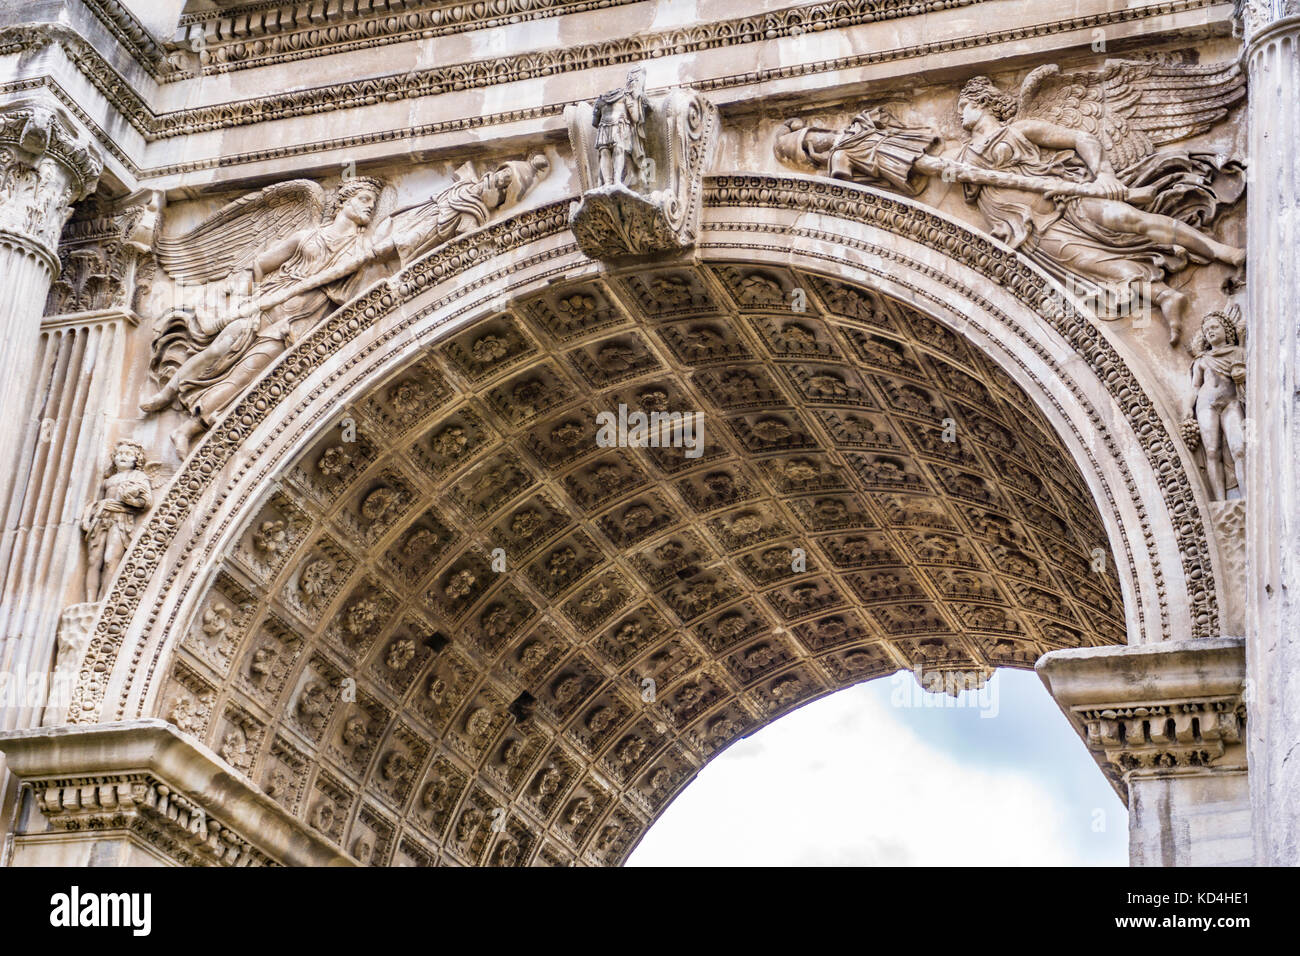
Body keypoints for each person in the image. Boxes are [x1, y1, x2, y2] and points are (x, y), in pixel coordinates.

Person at [955, 76, 1245, 346]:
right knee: (1102, 269)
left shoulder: (1018, 130)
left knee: (1133, 220)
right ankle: (1165, 296)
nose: (960, 114)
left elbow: (1081, 139)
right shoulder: (962, 158)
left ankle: (1221, 251)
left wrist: (1105, 174)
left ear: (982, 103)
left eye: (964, 106)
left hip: (1067, 199)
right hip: (1034, 232)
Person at [82, 439, 153, 603]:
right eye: (120, 453)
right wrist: (89, 515)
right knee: (93, 561)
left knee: (110, 560)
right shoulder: (108, 480)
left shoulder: (138, 476)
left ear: (136, 459)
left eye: (128, 454)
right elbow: (95, 502)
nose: (123, 457)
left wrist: (130, 501)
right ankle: (90, 602)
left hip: (120, 519)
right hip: (101, 519)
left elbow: (146, 501)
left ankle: (104, 602)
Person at [1186, 309, 1246, 500]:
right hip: (1206, 405)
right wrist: (1187, 408)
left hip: (1231, 403)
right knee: (1212, 451)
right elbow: (1195, 387)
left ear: (1226, 330)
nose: (1210, 332)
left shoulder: (1239, 353)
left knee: (1239, 448)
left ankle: (1246, 496)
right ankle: (1221, 502)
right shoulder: (1202, 360)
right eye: (1206, 330)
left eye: (1214, 327)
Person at [592, 68, 650, 187]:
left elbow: (594, 122)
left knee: (612, 151)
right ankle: (611, 181)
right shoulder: (616, 98)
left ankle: (614, 181)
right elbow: (635, 118)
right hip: (613, 127)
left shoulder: (606, 99)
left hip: (613, 126)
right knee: (610, 151)